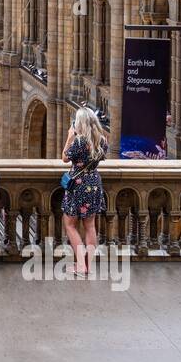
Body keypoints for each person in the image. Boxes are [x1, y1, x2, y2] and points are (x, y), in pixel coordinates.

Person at [61, 106, 108, 276]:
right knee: (90, 226)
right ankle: (87, 265)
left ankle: (80, 265)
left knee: (70, 225)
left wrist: (69, 137)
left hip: (78, 185)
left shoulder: (79, 141)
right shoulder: (102, 140)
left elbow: (65, 157)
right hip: (94, 183)